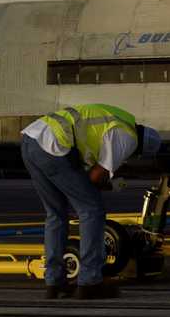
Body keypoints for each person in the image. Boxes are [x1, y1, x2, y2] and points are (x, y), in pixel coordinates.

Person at [20, 104, 161, 300]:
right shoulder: (128, 138)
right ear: (140, 149)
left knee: (56, 214)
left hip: (31, 140)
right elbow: (95, 177)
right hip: (54, 146)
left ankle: (54, 282)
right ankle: (90, 281)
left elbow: (84, 174)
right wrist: (110, 185)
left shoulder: (118, 118)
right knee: (92, 210)